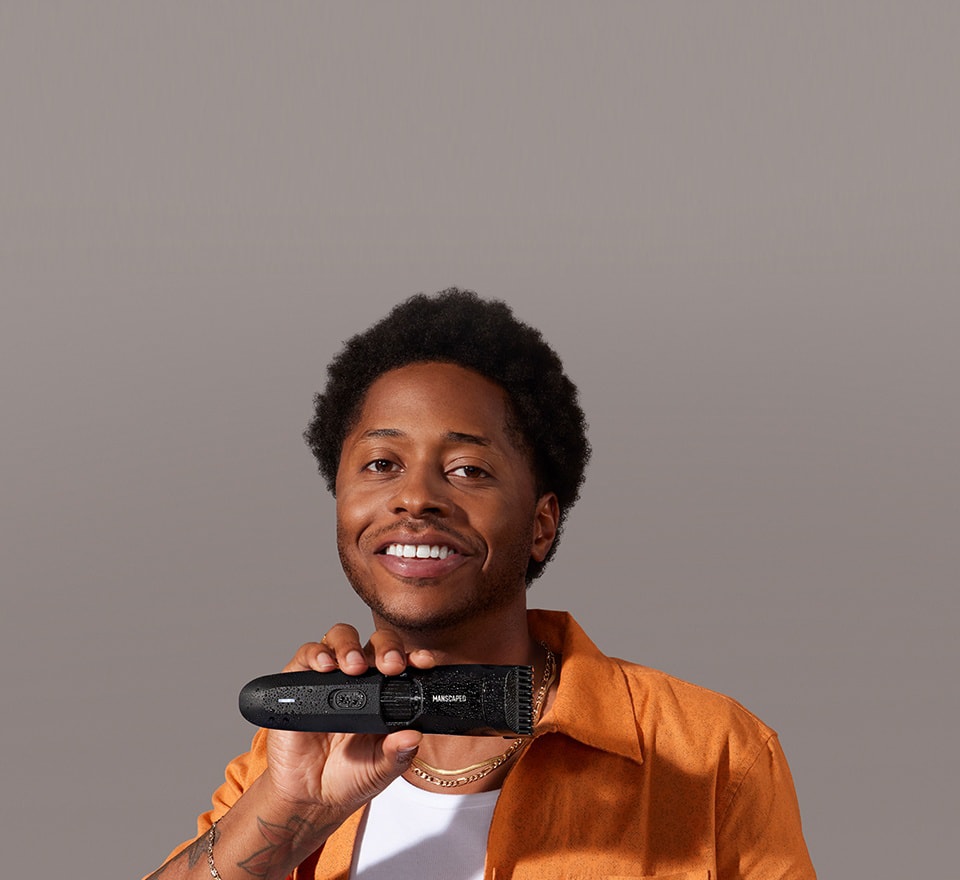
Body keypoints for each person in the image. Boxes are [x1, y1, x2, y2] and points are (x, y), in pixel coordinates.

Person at [147, 289, 816, 880]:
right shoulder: (298, 746)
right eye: (381, 463)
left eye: (468, 469)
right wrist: (290, 811)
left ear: (541, 525)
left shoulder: (714, 753)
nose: (415, 497)